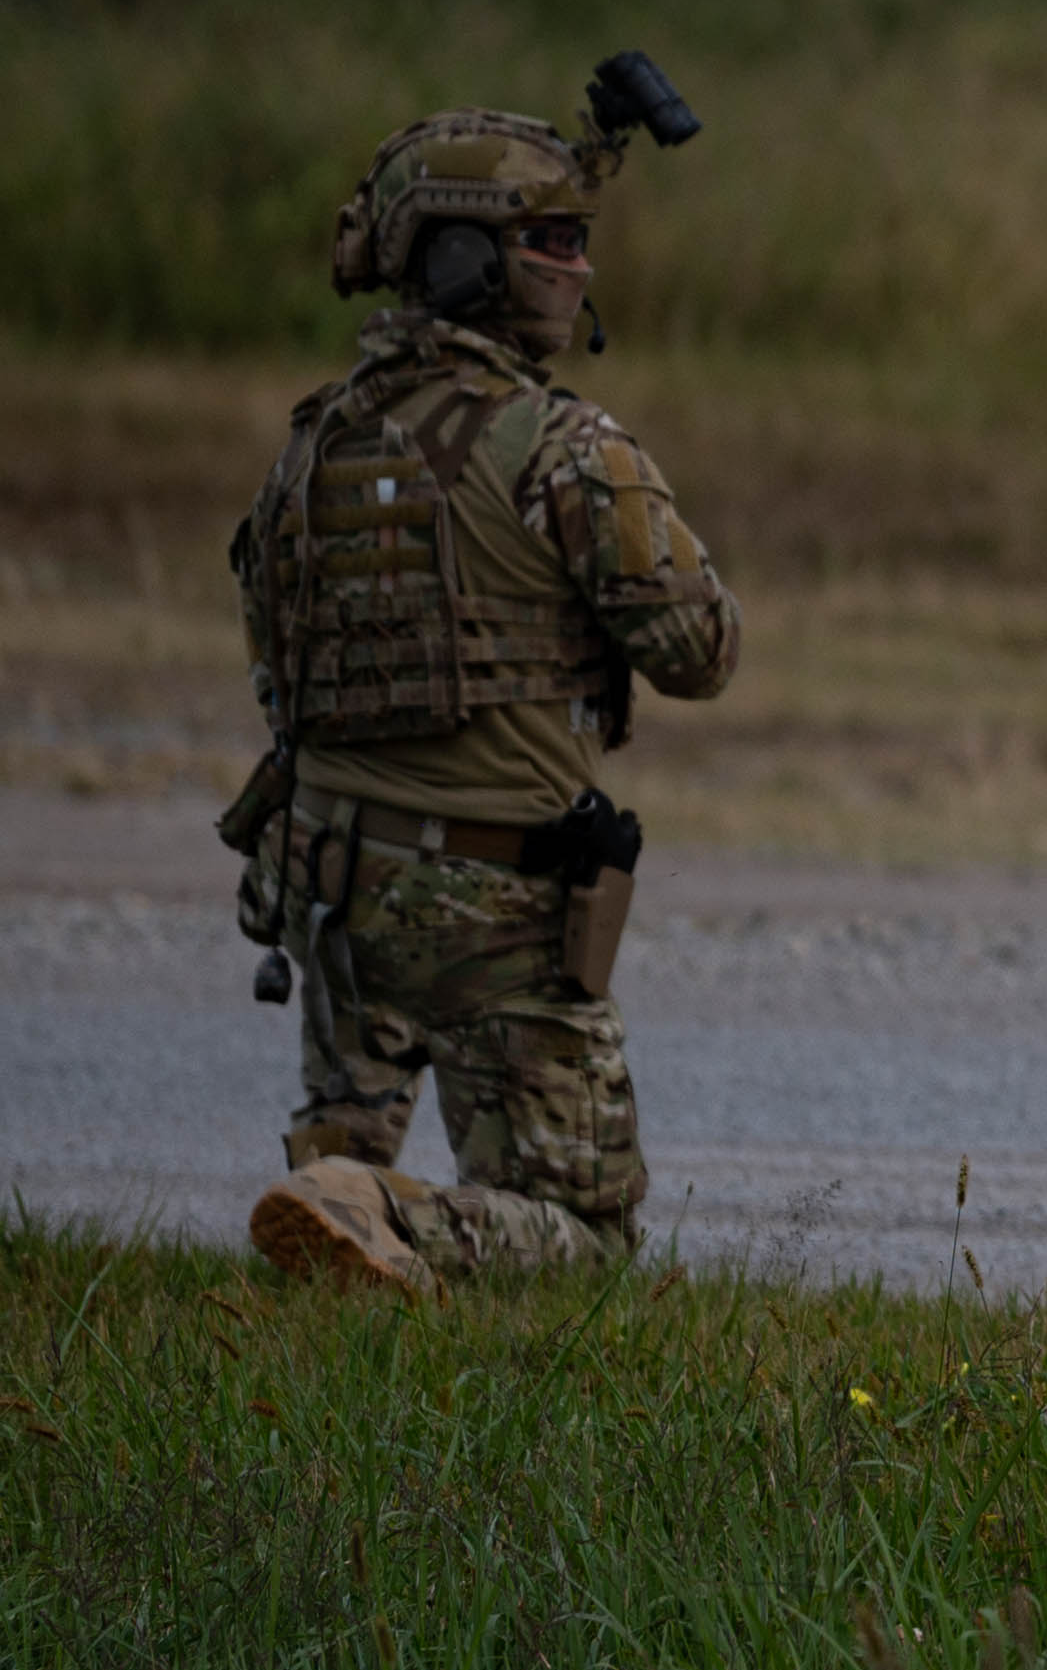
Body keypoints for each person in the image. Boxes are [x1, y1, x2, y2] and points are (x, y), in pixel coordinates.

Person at [232, 106, 740, 1291]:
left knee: (347, 1138)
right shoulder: (563, 447)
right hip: (493, 906)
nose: (577, 265)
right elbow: (701, 651)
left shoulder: (309, 449)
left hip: (332, 885)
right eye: (548, 237)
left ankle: (341, 1191)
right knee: (588, 1239)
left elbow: (278, 671)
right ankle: (383, 1217)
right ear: (463, 258)